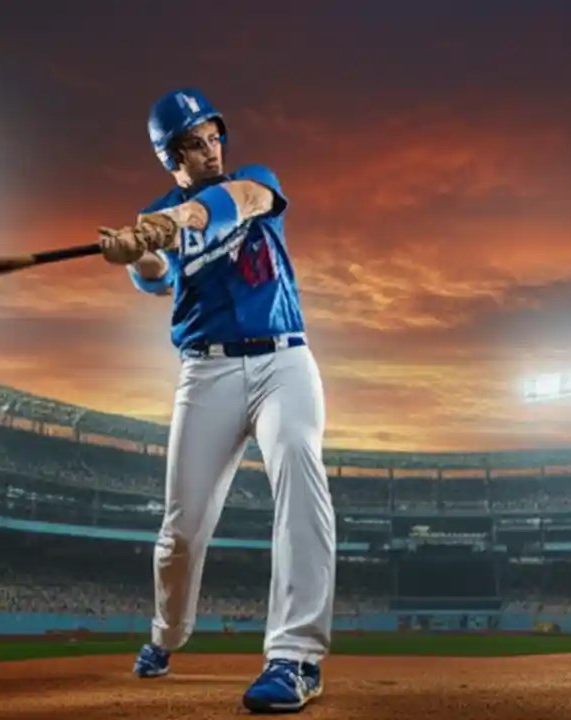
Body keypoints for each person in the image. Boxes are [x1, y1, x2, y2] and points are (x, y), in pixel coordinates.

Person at [98, 87, 335, 713]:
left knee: (299, 468)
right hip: (205, 374)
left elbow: (238, 203)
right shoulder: (153, 212)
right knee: (182, 528)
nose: (209, 150)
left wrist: (176, 222)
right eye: (192, 143)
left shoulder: (253, 180)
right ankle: (166, 635)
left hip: (285, 358)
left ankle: (295, 658)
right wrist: (137, 249)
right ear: (168, 155)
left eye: (213, 137)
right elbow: (152, 270)